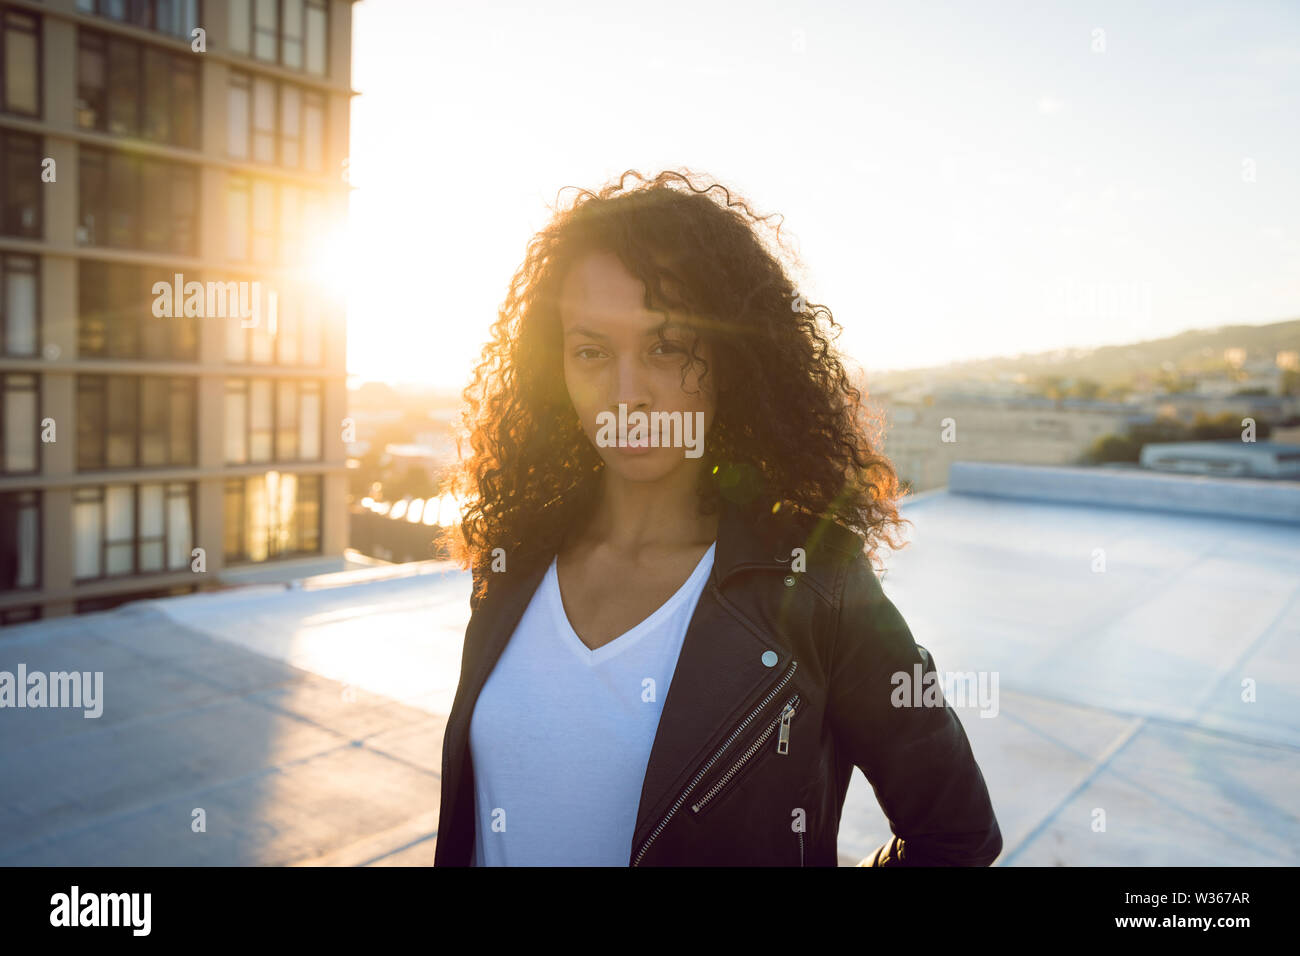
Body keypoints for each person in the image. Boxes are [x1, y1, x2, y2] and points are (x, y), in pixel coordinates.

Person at [434, 168, 1001, 866]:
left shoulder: (818, 585)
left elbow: (958, 837)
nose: (626, 396)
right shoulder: (515, 556)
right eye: (590, 351)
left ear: (731, 358)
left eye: (666, 348)